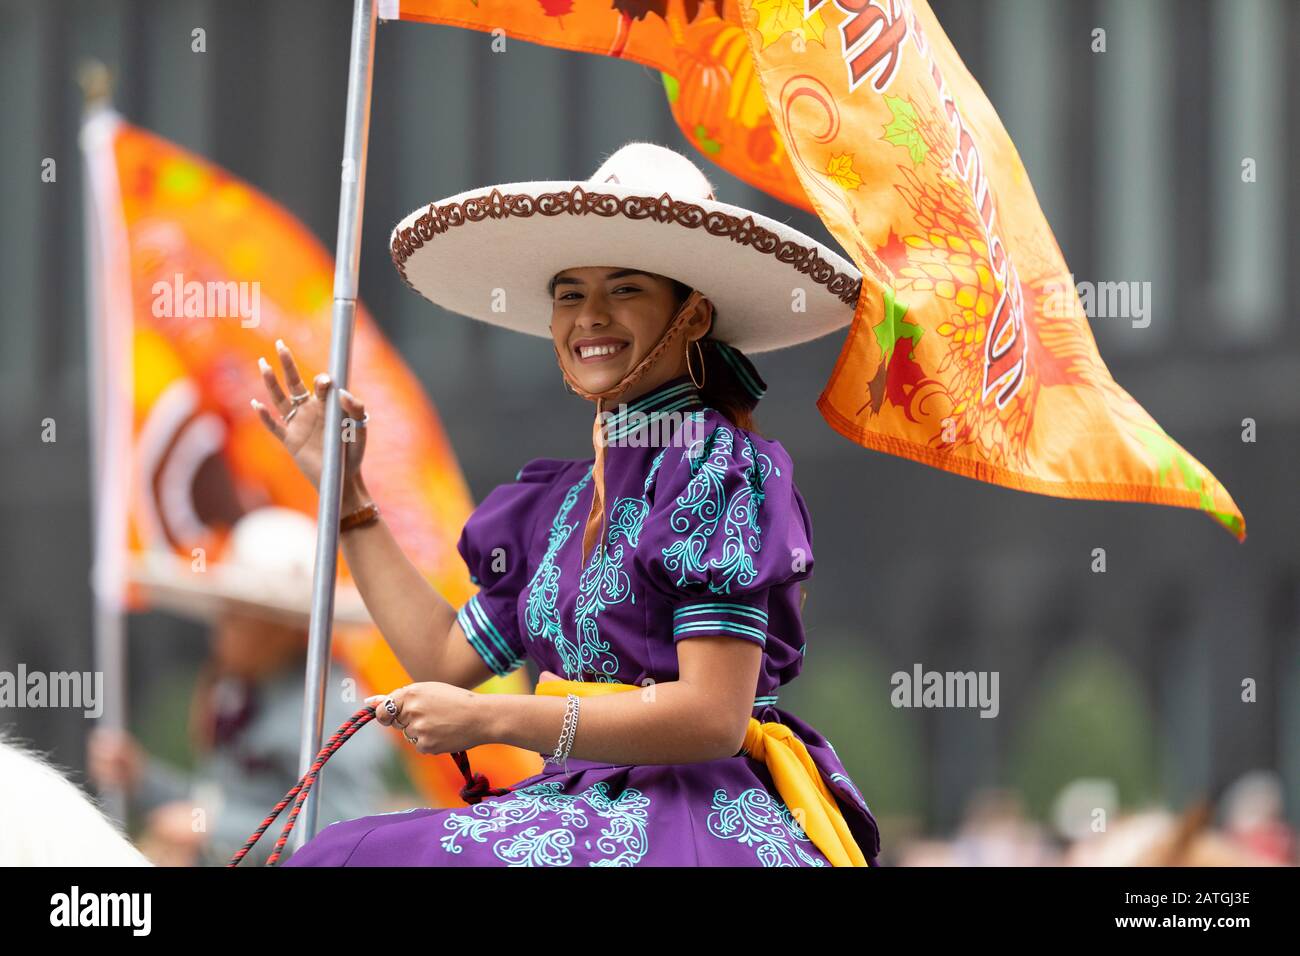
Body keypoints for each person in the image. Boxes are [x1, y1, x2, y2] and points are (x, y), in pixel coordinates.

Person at [258, 141, 880, 866]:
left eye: (624, 290)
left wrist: (490, 718)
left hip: (689, 815)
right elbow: (442, 658)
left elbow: (712, 718)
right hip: (569, 806)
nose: (590, 317)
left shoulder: (719, 466)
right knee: (339, 853)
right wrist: (348, 495)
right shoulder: (555, 504)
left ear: (693, 315)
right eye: (569, 293)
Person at [87, 507, 393, 866]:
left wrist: (213, 829)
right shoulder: (239, 695)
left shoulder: (331, 711)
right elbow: (220, 803)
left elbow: (344, 825)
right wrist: (142, 778)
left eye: (237, 618)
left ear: (286, 630)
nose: (220, 630)